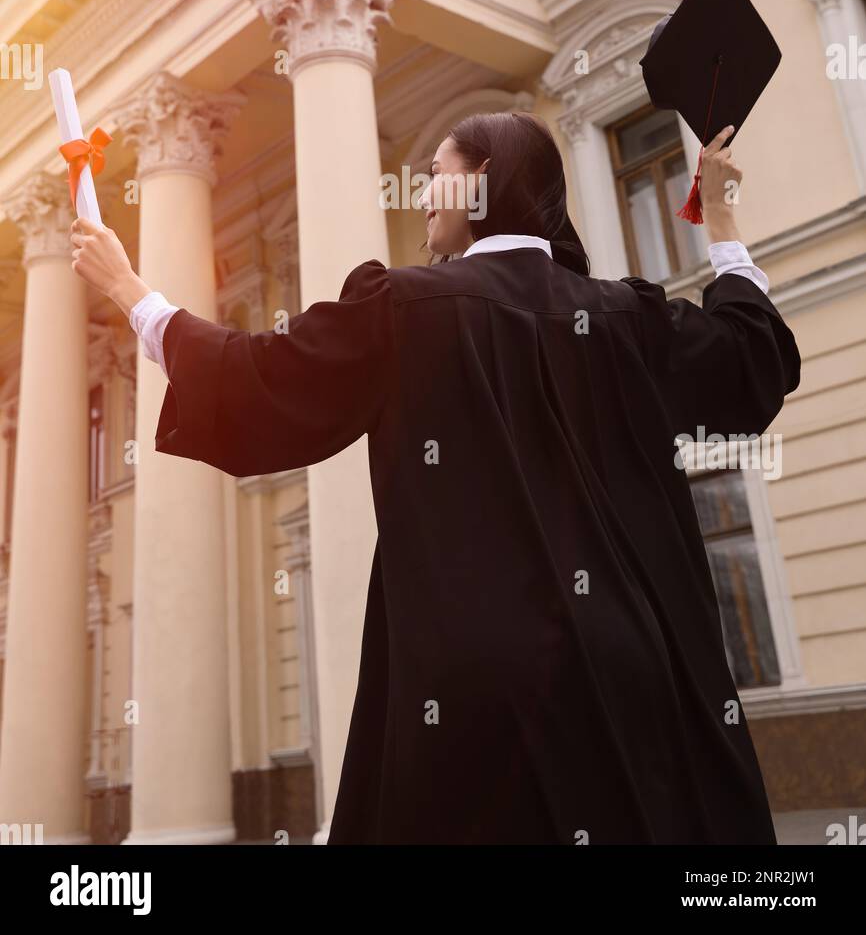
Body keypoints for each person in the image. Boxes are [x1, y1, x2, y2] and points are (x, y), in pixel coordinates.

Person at [70, 110, 800, 845]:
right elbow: (749, 361)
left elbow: (258, 376)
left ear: (484, 180)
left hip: (474, 696)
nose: (420, 194)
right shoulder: (624, 317)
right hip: (634, 681)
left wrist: (132, 290)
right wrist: (723, 217)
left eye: (436, 174)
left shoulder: (405, 309)